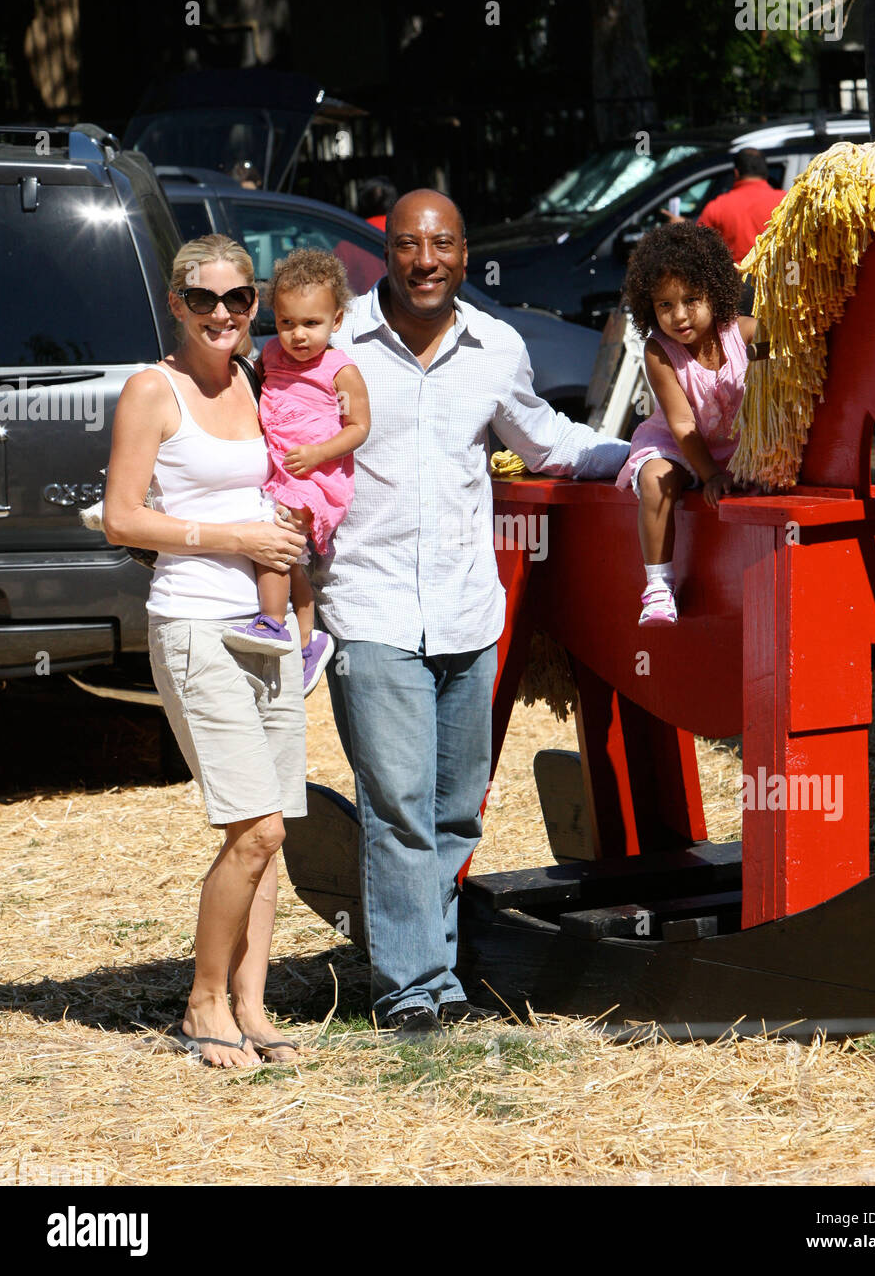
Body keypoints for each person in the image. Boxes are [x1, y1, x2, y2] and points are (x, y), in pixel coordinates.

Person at [316, 189, 630, 1033]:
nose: (426, 261)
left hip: (466, 611)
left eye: (443, 245)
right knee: (399, 807)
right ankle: (411, 988)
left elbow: (548, 440)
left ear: (463, 253)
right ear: (386, 250)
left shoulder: (496, 346)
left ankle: (438, 967)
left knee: (455, 810)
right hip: (370, 606)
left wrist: (641, 456)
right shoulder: (336, 343)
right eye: (409, 245)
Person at [103, 234, 309, 1069]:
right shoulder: (152, 389)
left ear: (255, 302)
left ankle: (250, 1006)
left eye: (238, 298)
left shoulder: (256, 378)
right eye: (203, 299)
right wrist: (236, 539)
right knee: (254, 827)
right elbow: (121, 518)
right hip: (193, 625)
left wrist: (288, 535)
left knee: (275, 831)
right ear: (176, 304)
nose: (222, 313)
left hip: (265, 628)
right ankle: (202, 1002)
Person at [223, 249, 371, 700]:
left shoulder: (340, 370)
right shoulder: (271, 353)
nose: (298, 335)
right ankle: (308, 641)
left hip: (315, 480)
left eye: (311, 323)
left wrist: (317, 453)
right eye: (287, 323)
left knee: (275, 543)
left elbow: (359, 427)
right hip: (278, 472)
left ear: (336, 320)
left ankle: (273, 622)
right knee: (293, 560)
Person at [615, 223, 755, 626]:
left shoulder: (743, 332)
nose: (678, 316)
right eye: (664, 305)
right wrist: (710, 474)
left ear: (715, 292)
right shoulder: (660, 350)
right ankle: (658, 585)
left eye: (691, 300)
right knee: (656, 478)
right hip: (679, 445)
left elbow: (781, 352)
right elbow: (680, 422)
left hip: (735, 448)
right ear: (649, 307)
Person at [695, 148, 785, 264]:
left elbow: (699, 246)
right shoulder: (785, 202)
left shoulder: (717, 206)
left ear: (736, 173)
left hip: (734, 274)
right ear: (765, 173)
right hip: (776, 273)